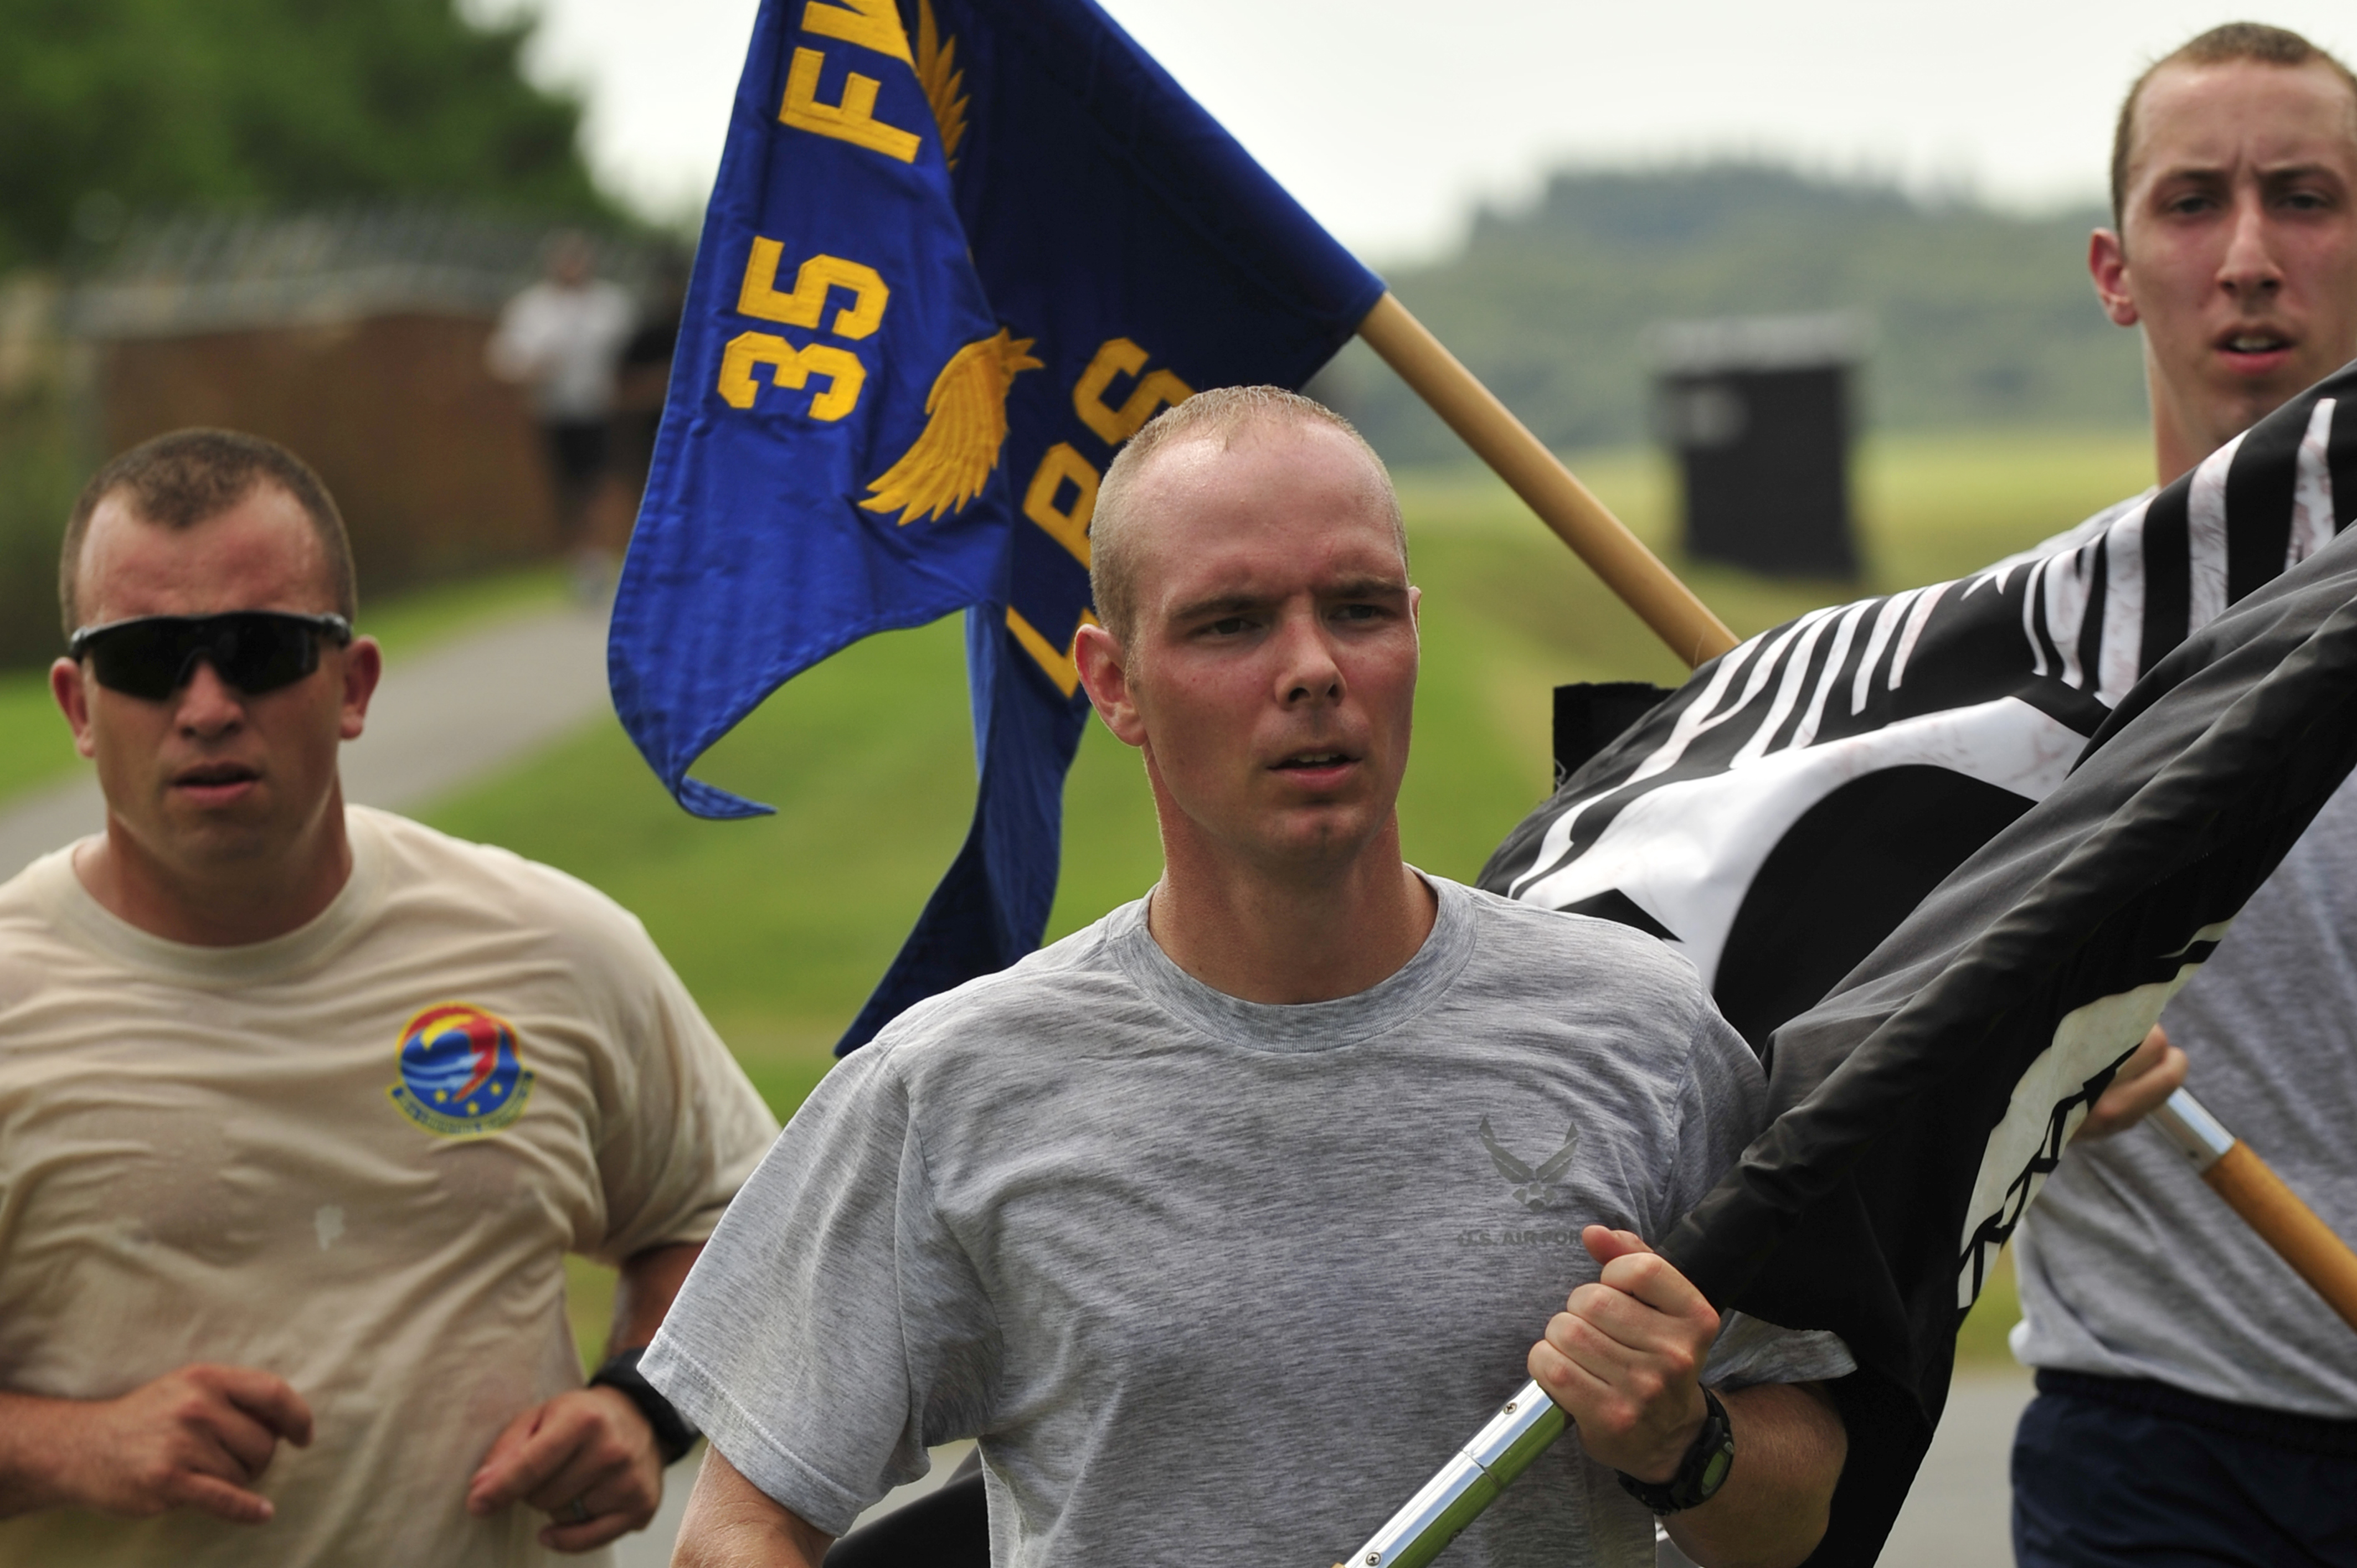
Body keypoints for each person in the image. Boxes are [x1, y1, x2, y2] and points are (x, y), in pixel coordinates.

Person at [644, 386, 1855, 1568]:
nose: (1314, 668)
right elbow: (740, 1528)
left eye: (1361, 609)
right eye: (1230, 623)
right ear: (1112, 681)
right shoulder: (950, 1088)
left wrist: (1684, 1446)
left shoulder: (1642, 1028)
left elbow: (1795, 1516)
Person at [0, 429, 780, 1565]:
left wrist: (640, 1407)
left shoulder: (550, 946)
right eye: (146, 659)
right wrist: (77, 1449)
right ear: (79, 704)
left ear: (353, 684)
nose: (208, 704)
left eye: (261, 651)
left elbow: (743, 1221)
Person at [2008, 22, 2357, 1567]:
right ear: (2114, 265)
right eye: (2193, 202)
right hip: (2150, 1453)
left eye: (2306, 196)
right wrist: (2016, 1045)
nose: (2251, 257)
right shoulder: (2014, 660)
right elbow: (1846, 1068)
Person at [488, 233, 637, 600]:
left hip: (599, 410)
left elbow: (630, 354)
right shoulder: (533, 309)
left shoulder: (611, 306)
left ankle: (601, 558)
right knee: (570, 491)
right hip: (554, 413)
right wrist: (534, 369)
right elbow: (505, 359)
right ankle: (582, 564)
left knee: (599, 485)